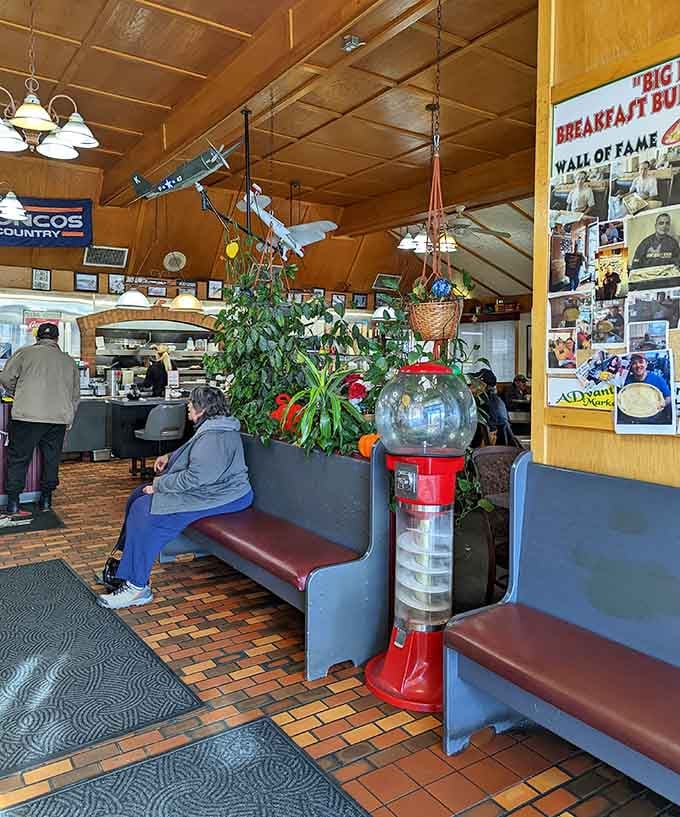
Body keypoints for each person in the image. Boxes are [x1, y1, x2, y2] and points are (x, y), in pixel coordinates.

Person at [98, 386, 253, 609]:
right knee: (137, 498)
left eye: (191, 402)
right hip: (209, 490)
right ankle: (126, 568)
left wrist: (159, 486)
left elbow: (197, 477)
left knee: (147, 511)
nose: (188, 406)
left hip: (223, 496)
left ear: (202, 409)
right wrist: (169, 457)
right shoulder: (214, 427)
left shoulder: (216, 436)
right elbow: (198, 460)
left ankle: (136, 587)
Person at [0, 323, 79, 515]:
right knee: (51, 460)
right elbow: (75, 395)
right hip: (57, 418)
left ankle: (13, 503)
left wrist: (17, 393)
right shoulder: (68, 360)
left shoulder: (24, 353)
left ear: (37, 337)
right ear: (57, 339)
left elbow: (5, 378)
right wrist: (69, 418)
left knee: (19, 459)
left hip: (26, 416)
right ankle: (46, 500)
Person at [473, 369, 517, 447]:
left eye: (476, 382)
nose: (473, 385)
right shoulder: (496, 399)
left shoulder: (487, 401)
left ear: (483, 385)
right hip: (503, 445)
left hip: (495, 448)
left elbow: (491, 432)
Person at [623, 353, 671, 421]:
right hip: (631, 418)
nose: (638, 365)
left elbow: (668, 397)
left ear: (646, 364)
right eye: (634, 363)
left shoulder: (658, 379)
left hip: (653, 420)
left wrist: (663, 403)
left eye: (641, 362)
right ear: (631, 366)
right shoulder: (625, 381)